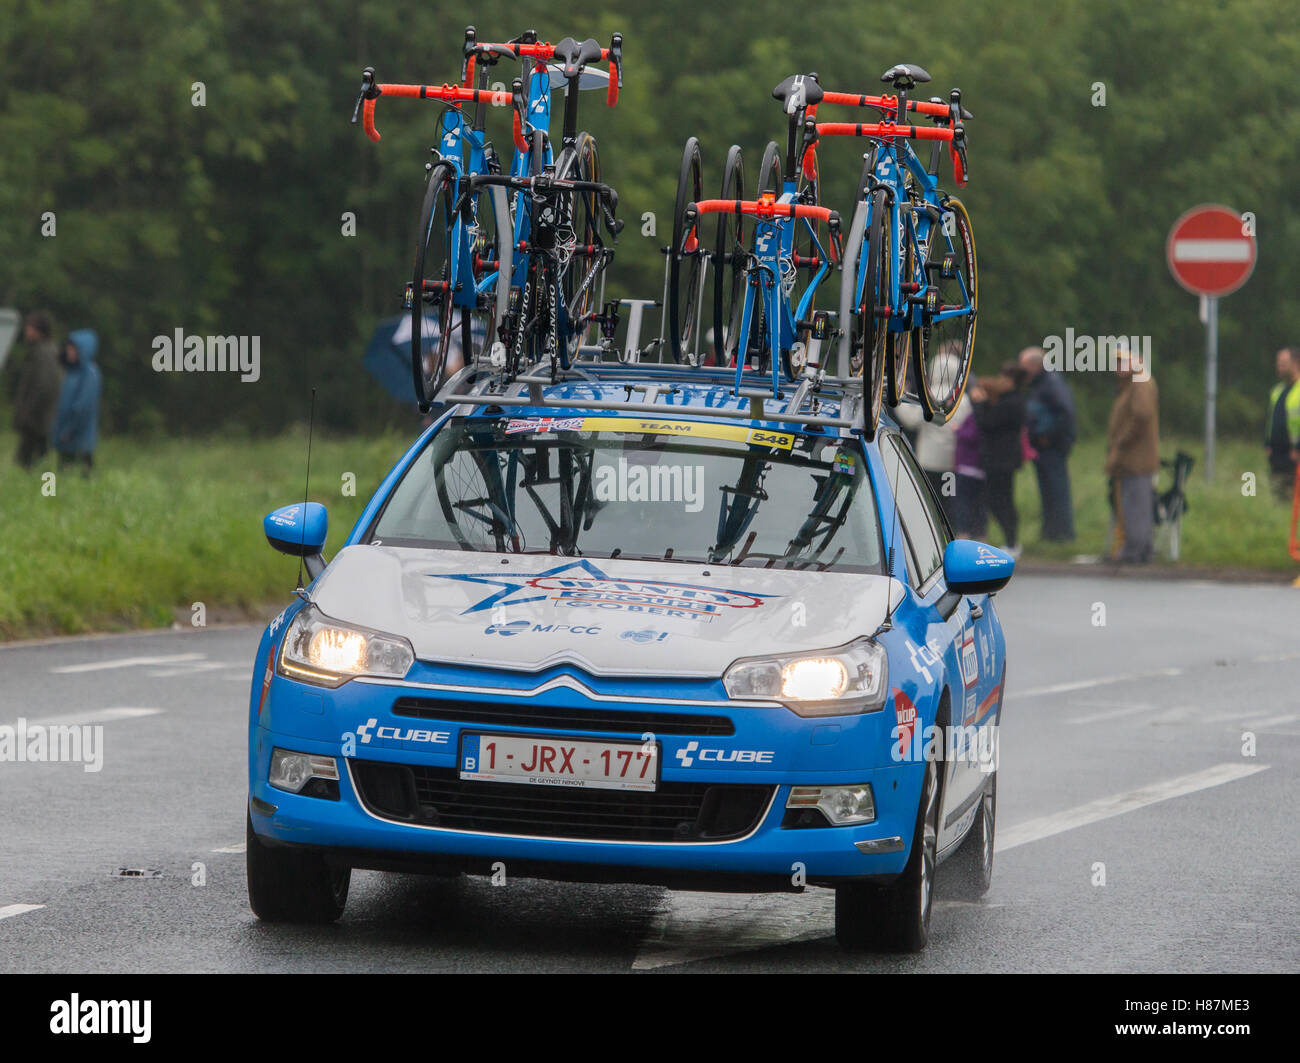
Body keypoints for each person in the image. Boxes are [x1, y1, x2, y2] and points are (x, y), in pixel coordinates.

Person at [895, 345, 971, 523]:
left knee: (930, 502)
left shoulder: (932, 395)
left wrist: (900, 399)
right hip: (953, 461)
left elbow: (912, 420)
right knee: (949, 501)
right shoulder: (962, 397)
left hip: (929, 460)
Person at [1105, 345, 1159, 563]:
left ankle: (1135, 550)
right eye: (1117, 362)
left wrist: (1122, 440)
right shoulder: (1130, 384)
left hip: (1136, 457)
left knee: (1135, 505)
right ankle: (1140, 549)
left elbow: (1142, 415)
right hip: (1130, 457)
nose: (1119, 366)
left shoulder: (1140, 382)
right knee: (1134, 504)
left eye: (1124, 361)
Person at [1019, 345, 1077, 541]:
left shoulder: (1052, 383)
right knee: (1047, 490)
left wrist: (1048, 436)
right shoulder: (1040, 384)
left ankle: (1063, 534)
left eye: (1024, 366)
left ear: (1035, 366)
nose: (1022, 371)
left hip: (1052, 446)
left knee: (1056, 489)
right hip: (1041, 445)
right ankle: (1050, 533)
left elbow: (1065, 413)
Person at [969, 363, 1027, 556]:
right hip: (1000, 459)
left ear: (1011, 382)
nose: (999, 382)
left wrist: (978, 403)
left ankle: (1011, 542)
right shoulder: (1008, 400)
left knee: (1001, 501)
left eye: (1003, 379)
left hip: (1002, 460)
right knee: (999, 500)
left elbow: (987, 422)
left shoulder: (1012, 403)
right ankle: (1011, 541)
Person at [12, 310, 63, 469]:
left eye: (30, 328)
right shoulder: (41, 351)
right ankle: (45, 492)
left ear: (40, 331)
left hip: (38, 420)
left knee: (30, 463)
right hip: (37, 419)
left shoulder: (44, 353)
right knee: (36, 462)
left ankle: (47, 493)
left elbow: (44, 386)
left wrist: (28, 411)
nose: (27, 331)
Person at [51, 329, 101, 476]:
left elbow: (83, 406)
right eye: (69, 348)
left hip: (79, 437)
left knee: (84, 476)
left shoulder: (90, 373)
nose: (69, 352)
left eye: (73, 349)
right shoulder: (70, 372)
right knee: (63, 475)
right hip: (64, 436)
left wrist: (69, 429)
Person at [1265, 346, 1300, 502]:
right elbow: (1271, 421)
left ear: (1295, 363)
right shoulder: (1278, 391)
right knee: (1279, 500)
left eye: (1283, 362)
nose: (1279, 366)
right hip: (1278, 456)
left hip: (1295, 456)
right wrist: (1267, 443)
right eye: (1278, 362)